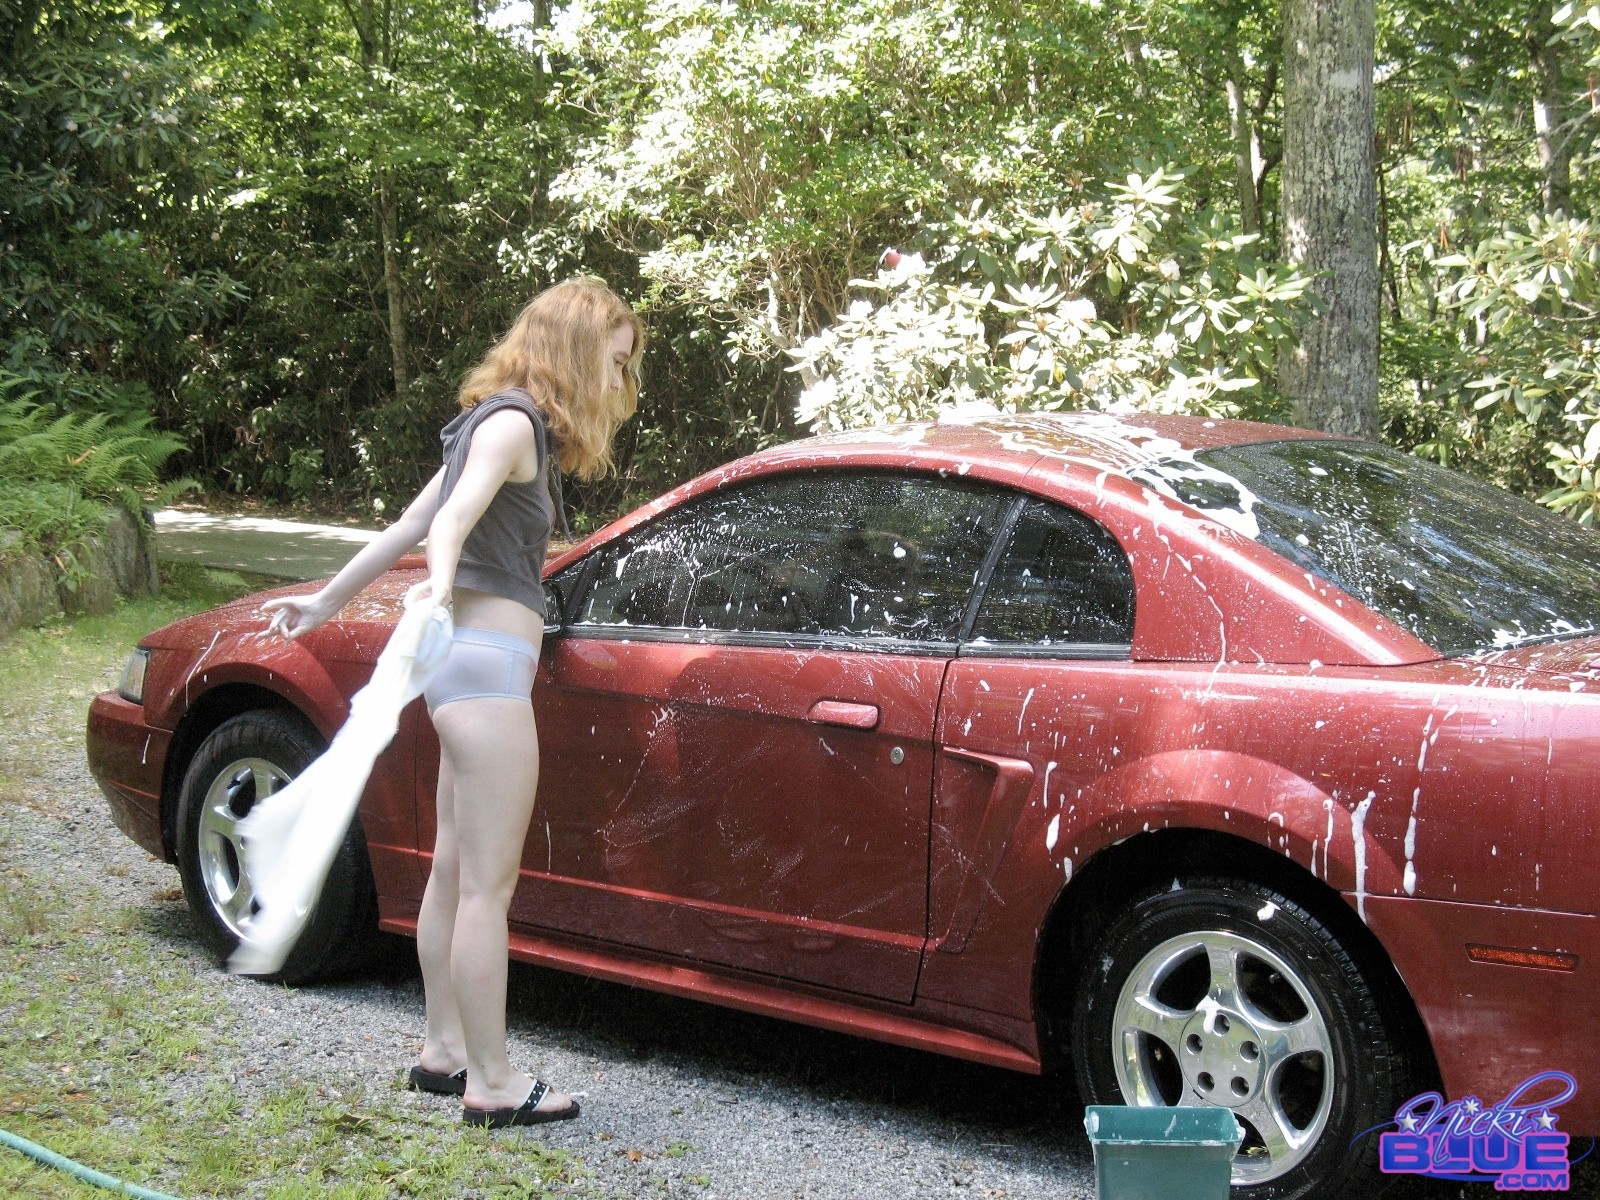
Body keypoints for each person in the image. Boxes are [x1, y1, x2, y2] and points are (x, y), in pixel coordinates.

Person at [260, 277, 644, 1129]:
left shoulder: (490, 421)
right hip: (489, 672)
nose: (620, 382)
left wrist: (325, 601)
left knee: (451, 869)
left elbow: (407, 524)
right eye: (615, 362)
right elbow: (444, 527)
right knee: (486, 890)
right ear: (576, 349)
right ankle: (493, 1081)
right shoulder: (514, 426)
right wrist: (438, 585)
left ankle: (442, 1050)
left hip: (458, 670)